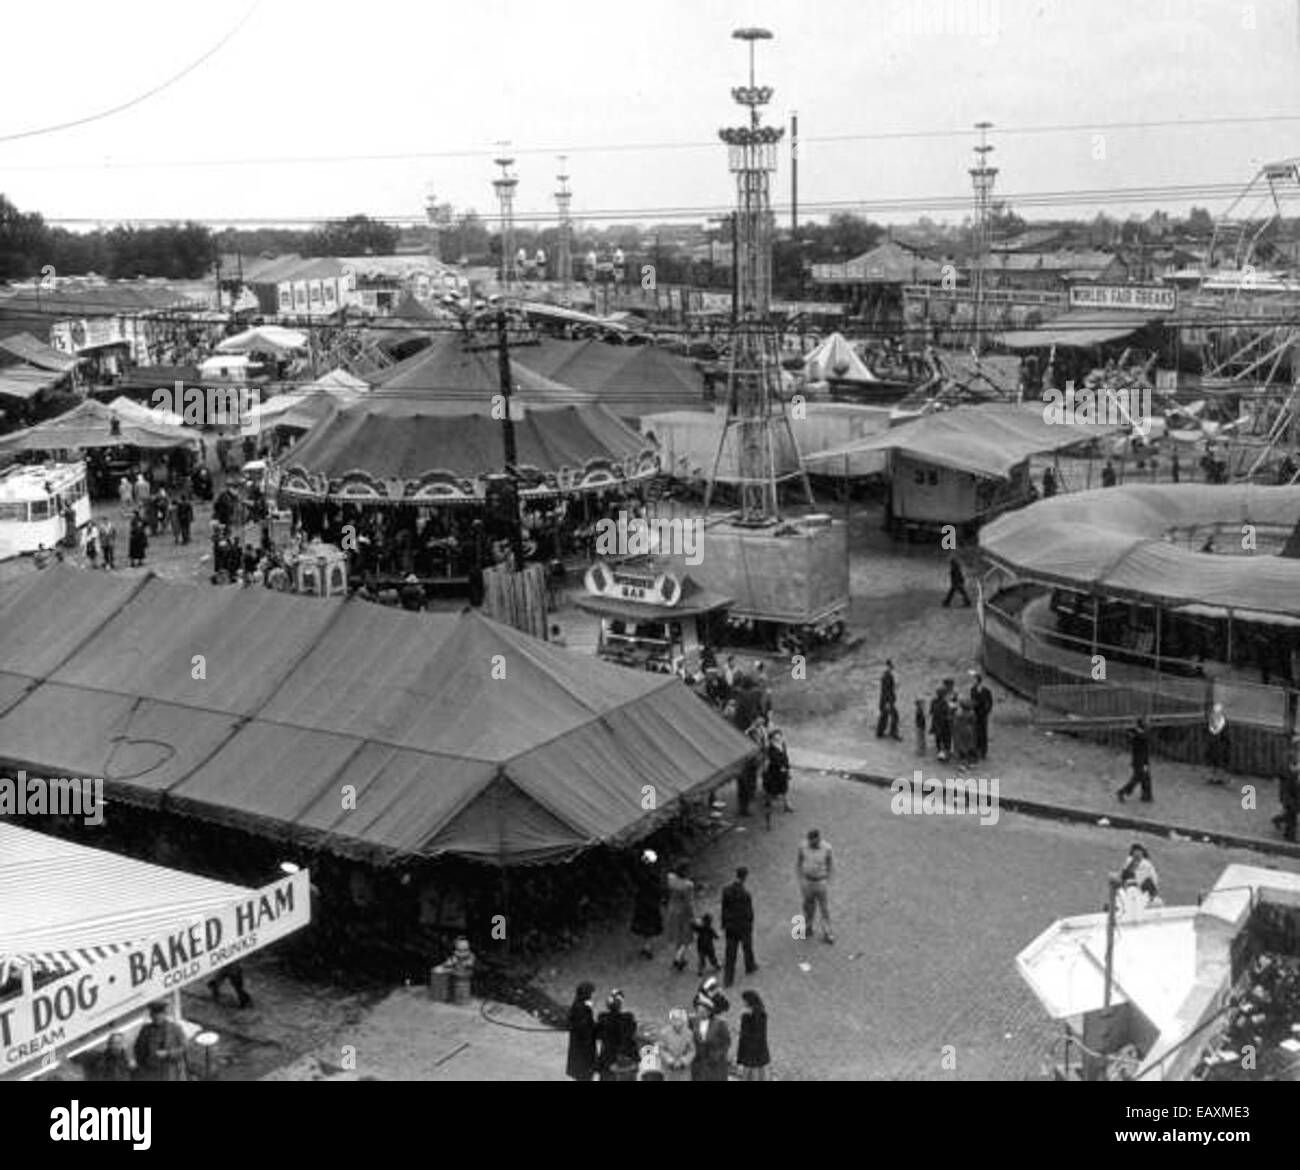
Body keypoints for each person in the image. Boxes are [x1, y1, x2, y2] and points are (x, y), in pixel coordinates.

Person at [721, 866, 757, 988]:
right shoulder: (746, 895)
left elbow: (724, 908)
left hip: (731, 926)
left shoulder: (726, 891)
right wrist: (750, 923)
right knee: (747, 947)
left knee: (730, 953)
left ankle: (728, 979)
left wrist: (724, 923)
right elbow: (749, 913)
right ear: (745, 877)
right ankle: (750, 966)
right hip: (743, 926)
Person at [133, 1000, 188, 1081]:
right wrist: (142, 1066)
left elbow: (184, 1048)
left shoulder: (175, 1029)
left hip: (171, 1070)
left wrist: (168, 1053)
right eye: (154, 1014)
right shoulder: (145, 1030)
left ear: (164, 1014)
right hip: (151, 1071)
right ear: (151, 1016)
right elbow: (138, 1049)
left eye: (159, 1014)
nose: (157, 1017)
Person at [796, 828, 834, 944]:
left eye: (813, 841)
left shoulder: (827, 848)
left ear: (818, 839)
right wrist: (800, 878)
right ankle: (807, 928)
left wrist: (828, 880)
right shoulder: (803, 847)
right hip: (807, 881)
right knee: (807, 906)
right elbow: (799, 862)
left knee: (824, 908)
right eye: (809, 840)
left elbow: (830, 864)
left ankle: (827, 933)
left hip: (820, 881)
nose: (810, 843)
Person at [595, 990, 639, 1081]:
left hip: (608, 1059)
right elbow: (633, 1032)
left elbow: (598, 1035)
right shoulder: (628, 1018)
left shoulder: (603, 1019)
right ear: (621, 1005)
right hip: (627, 1057)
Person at [690, 991, 731, 1082]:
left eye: (702, 1011)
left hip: (715, 1062)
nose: (699, 1013)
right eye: (698, 1010)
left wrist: (717, 1055)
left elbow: (726, 1043)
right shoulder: (693, 1021)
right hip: (699, 1061)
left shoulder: (720, 1024)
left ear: (709, 1012)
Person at [630, 848, 664, 959]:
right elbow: (658, 890)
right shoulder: (654, 877)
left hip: (642, 902)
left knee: (645, 927)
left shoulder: (640, 874)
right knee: (650, 927)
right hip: (651, 904)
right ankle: (647, 948)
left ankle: (646, 946)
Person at [664, 862, 697, 972]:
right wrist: (692, 916)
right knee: (687, 937)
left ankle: (681, 958)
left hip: (672, 908)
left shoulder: (671, 878)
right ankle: (678, 958)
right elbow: (689, 903)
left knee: (678, 934)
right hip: (683, 912)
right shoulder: (688, 885)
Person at [565, 981, 598, 1081]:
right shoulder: (583, 1009)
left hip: (578, 1050)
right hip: (584, 1052)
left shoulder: (577, 1006)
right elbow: (587, 1029)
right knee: (585, 1076)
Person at [1116, 717, 1153, 802]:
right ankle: (1122, 792)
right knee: (1138, 778)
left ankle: (1146, 796)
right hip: (1140, 761)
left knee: (1145, 778)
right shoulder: (1139, 736)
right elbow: (1145, 736)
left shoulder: (1136, 734)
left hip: (1141, 760)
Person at [737, 990, 770, 1081]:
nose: (743, 1003)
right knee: (761, 1074)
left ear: (748, 1001)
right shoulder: (762, 1013)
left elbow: (745, 1035)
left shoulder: (746, 1015)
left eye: (744, 1000)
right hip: (761, 1049)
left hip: (749, 1051)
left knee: (749, 1075)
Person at [762, 729, 792, 826]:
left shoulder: (782, 745)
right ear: (771, 739)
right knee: (772, 791)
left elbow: (786, 757)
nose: (778, 738)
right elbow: (773, 761)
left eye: (779, 736)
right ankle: (768, 807)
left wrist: (787, 768)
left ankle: (786, 805)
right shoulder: (770, 749)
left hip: (783, 772)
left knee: (784, 789)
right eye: (776, 737)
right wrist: (781, 767)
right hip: (774, 773)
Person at [658, 1007, 695, 1082]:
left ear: (684, 1021)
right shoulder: (664, 1033)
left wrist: (683, 1061)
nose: (677, 1022)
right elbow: (661, 1049)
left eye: (680, 1020)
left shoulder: (689, 1034)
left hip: (683, 1070)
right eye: (675, 1019)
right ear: (671, 1020)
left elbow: (692, 1050)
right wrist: (670, 1060)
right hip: (669, 1069)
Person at [970, 674, 994, 761]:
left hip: (983, 714)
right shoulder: (972, 690)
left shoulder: (985, 691)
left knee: (983, 732)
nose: (973, 682)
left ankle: (983, 751)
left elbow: (990, 701)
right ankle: (977, 750)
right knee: (976, 732)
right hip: (976, 714)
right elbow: (972, 700)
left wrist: (987, 711)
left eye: (974, 680)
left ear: (978, 681)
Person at [876, 659, 901, 740]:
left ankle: (880, 733)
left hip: (885, 700)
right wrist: (888, 702)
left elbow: (887, 689)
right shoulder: (888, 676)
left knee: (884, 716)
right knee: (895, 716)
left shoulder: (886, 675)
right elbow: (887, 690)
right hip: (887, 700)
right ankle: (893, 733)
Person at [1206, 703, 1229, 785]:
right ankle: (1212, 776)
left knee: (1221, 761)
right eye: (1215, 712)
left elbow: (1226, 736)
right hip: (1212, 744)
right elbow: (1209, 732)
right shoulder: (1211, 722)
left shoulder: (1224, 723)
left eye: (1218, 712)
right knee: (1212, 760)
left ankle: (1220, 777)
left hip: (1221, 745)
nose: (1216, 714)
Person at [930, 682, 953, 761]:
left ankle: (940, 751)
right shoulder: (944, 704)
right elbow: (947, 714)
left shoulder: (934, 701)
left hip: (936, 723)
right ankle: (945, 753)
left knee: (938, 739)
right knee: (946, 739)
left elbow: (931, 711)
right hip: (944, 724)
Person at [693, 912, 721, 977]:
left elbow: (693, 925)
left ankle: (701, 969)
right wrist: (717, 936)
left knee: (701, 958)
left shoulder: (700, 928)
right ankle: (716, 965)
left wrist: (697, 921)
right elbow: (715, 935)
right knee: (712, 956)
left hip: (701, 946)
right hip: (709, 946)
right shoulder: (710, 928)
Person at [952, 700, 976, 769]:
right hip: (969, 730)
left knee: (961, 746)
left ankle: (962, 763)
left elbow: (955, 723)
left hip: (960, 731)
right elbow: (973, 722)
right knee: (969, 745)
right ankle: (969, 762)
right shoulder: (971, 713)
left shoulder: (958, 714)